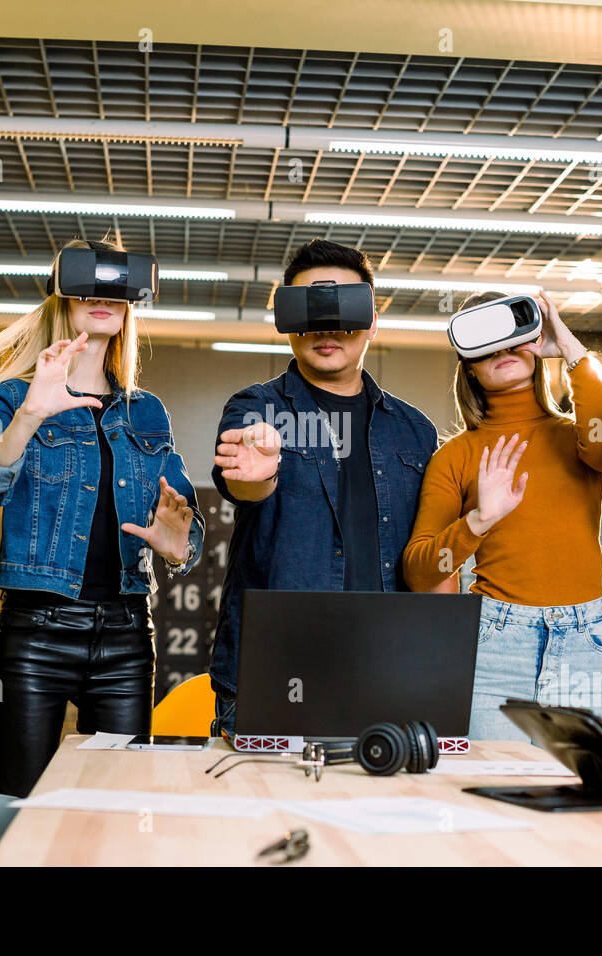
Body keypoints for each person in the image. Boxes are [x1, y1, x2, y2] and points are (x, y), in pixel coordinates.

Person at [0, 238, 204, 797]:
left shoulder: (146, 410)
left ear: (128, 310)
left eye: (115, 292)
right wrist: (29, 416)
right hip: (36, 632)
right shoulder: (15, 396)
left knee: (112, 806)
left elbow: (183, 522)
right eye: (88, 287)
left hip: (124, 636)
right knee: (19, 803)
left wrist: (178, 541)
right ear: (61, 299)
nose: (101, 297)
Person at [206, 239, 445, 736]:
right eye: (310, 308)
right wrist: (261, 473)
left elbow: (427, 556)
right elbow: (244, 486)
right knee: (266, 813)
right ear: (288, 319)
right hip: (274, 671)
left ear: (372, 320)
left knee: (381, 815)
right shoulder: (256, 410)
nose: (327, 326)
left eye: (344, 308)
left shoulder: (415, 431)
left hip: (387, 674)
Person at [403, 291, 602, 739]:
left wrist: (569, 348)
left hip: (586, 643)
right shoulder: (456, 456)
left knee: (585, 793)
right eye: (486, 345)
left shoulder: (576, 436)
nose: (502, 351)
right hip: (497, 641)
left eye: (512, 338)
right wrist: (478, 522)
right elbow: (421, 571)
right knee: (491, 791)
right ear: (468, 365)